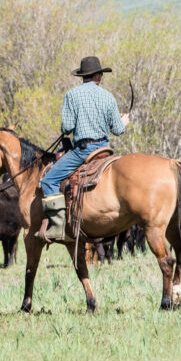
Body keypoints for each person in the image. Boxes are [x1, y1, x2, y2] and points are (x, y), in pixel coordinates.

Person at [37, 56, 129, 242]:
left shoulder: (72, 95)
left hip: (84, 150)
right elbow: (118, 130)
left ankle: (58, 227)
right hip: (104, 149)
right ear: (98, 76)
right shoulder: (108, 96)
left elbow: (66, 127)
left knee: (48, 181)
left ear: (83, 76)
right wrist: (124, 121)